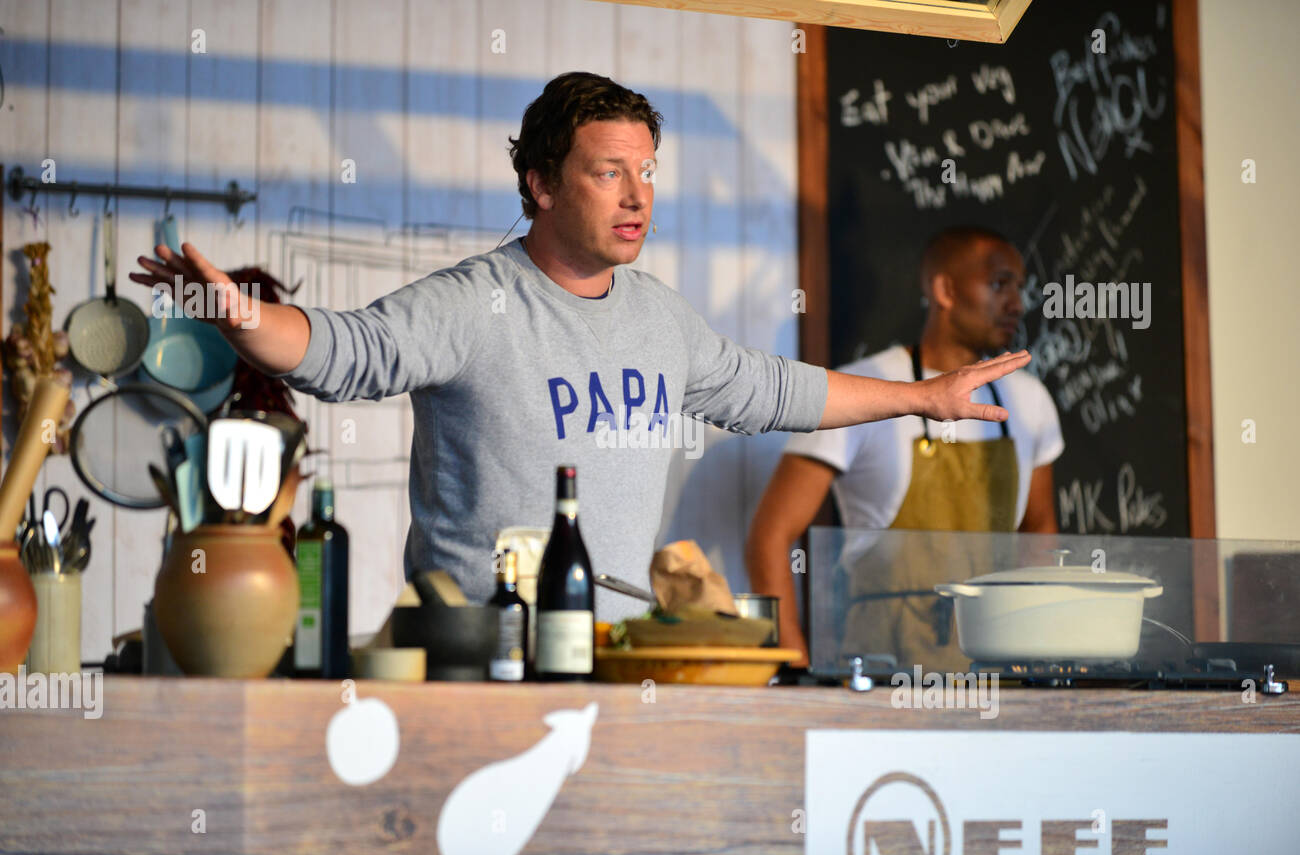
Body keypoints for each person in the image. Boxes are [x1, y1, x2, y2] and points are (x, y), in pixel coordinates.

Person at [129, 73, 1031, 623]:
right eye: (609, 172)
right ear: (541, 184)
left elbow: (775, 391)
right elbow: (341, 350)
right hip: (480, 659)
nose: (637, 195)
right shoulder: (475, 303)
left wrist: (924, 395)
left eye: (647, 171)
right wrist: (239, 314)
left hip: (612, 658)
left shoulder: (661, 319)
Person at [746, 226, 1062, 669]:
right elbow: (770, 534)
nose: (1017, 303)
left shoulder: (1030, 402)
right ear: (945, 290)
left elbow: (1039, 536)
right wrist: (792, 660)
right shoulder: (863, 391)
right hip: (882, 674)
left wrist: (1041, 655)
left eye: (1019, 287)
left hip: (994, 672)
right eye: (999, 284)